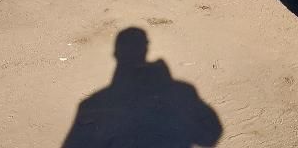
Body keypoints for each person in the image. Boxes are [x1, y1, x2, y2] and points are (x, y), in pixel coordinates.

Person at [62, 27, 222, 148]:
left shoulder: (93, 106)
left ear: (116, 54)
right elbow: (211, 135)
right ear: (146, 49)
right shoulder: (182, 92)